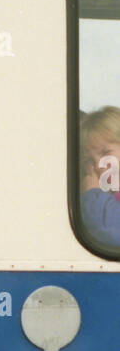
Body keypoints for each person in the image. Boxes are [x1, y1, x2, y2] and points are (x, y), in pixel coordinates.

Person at [80, 106, 120, 247]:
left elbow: (111, 230)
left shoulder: (94, 196)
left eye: (106, 153)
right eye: (89, 161)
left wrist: (92, 194)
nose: (98, 166)